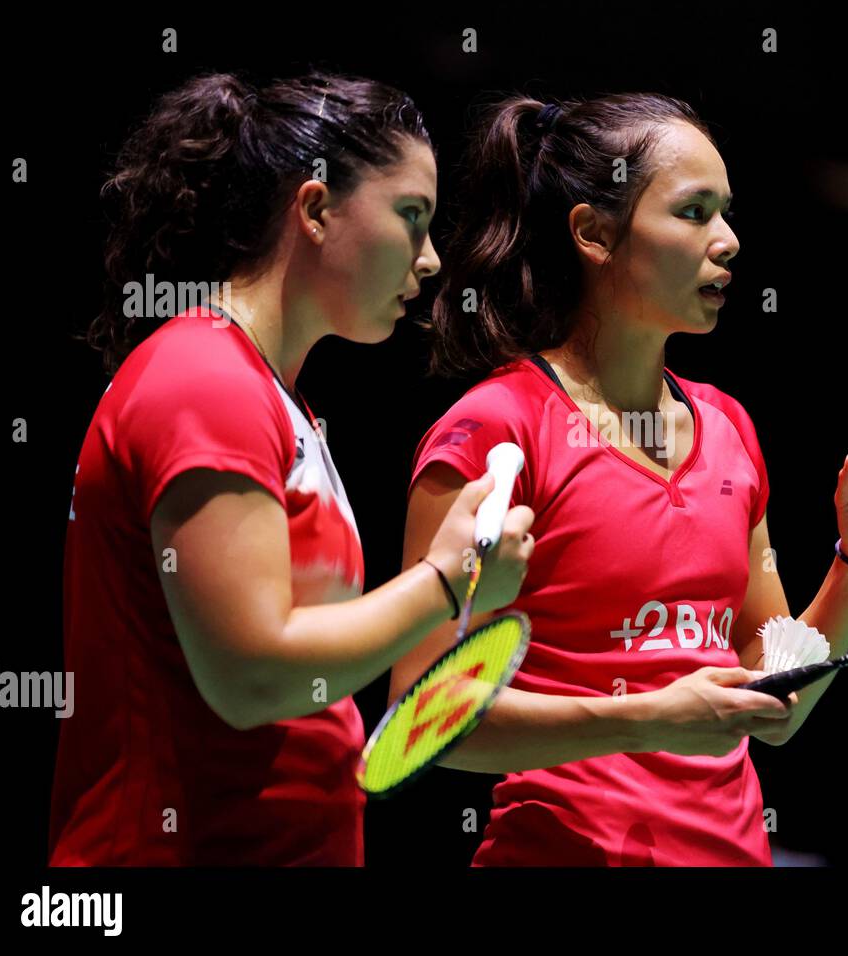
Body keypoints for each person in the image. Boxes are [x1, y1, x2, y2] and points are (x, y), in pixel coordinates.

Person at [392, 94, 848, 865]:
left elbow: (773, 703)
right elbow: (424, 720)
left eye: (728, 212)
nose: (729, 241)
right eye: (694, 212)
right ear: (595, 234)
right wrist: (646, 717)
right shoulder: (498, 432)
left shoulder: (727, 427)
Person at [51, 72, 533, 866]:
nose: (432, 260)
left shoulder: (281, 403)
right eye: (411, 218)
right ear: (314, 210)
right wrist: (447, 582)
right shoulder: (203, 380)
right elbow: (251, 680)